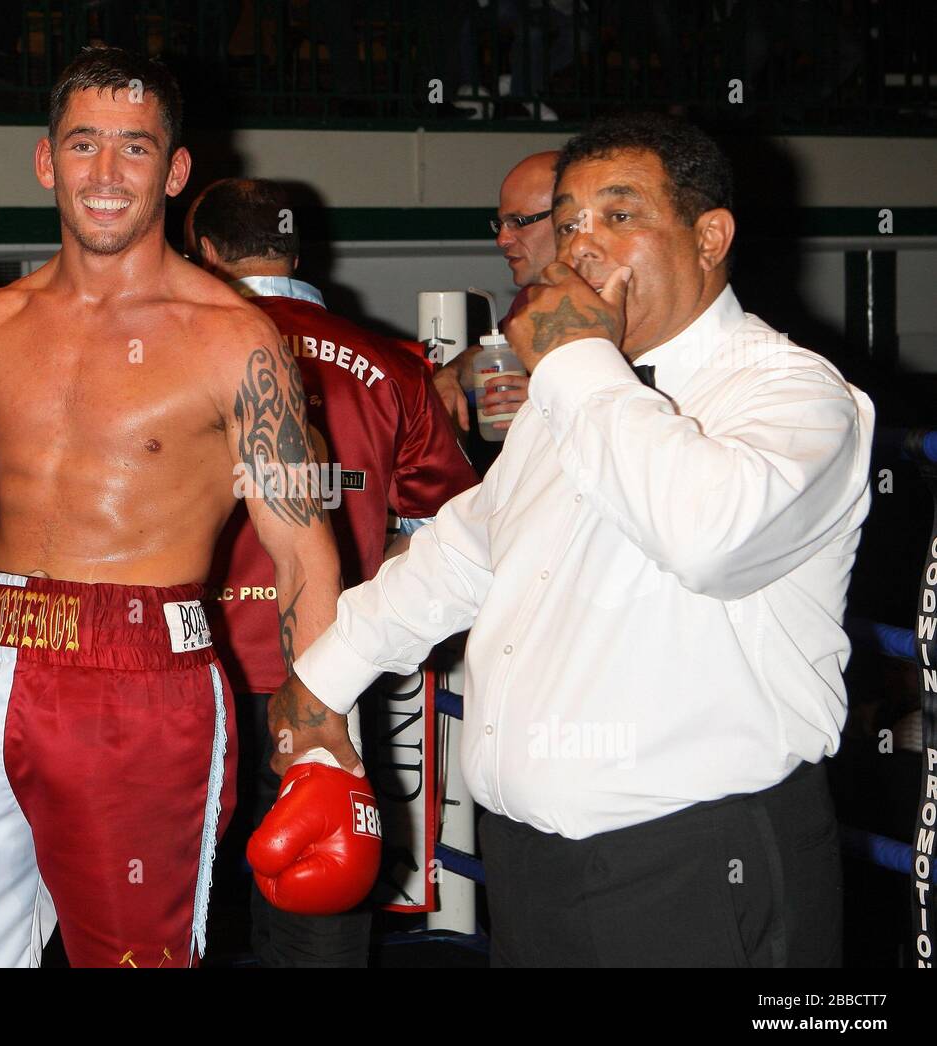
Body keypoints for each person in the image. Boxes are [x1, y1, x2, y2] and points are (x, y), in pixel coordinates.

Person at [264, 112, 875, 967]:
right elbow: (467, 548)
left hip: (698, 863)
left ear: (710, 237)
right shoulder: (579, 393)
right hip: (534, 869)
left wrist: (573, 362)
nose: (581, 246)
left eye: (619, 216)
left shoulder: (796, 396)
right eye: (571, 219)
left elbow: (706, 538)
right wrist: (320, 681)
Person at [0, 46, 353, 968]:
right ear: (45, 160)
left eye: (135, 149)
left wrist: (323, 741)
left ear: (176, 169)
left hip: (140, 678)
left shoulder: (237, 342)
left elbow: (302, 550)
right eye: (83, 145)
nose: (105, 175)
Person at [187, 177, 479, 966]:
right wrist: (361, 595)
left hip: (189, 671)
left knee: (177, 908)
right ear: (296, 250)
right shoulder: (393, 365)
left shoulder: (173, 355)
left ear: (204, 252)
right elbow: (452, 538)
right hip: (330, 676)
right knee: (320, 908)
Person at [432, 150, 555, 434]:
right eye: (500, 224)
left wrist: (551, 400)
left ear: (569, 220)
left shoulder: (619, 302)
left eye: (518, 222)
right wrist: (450, 374)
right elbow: (495, 350)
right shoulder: (535, 298)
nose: (502, 239)